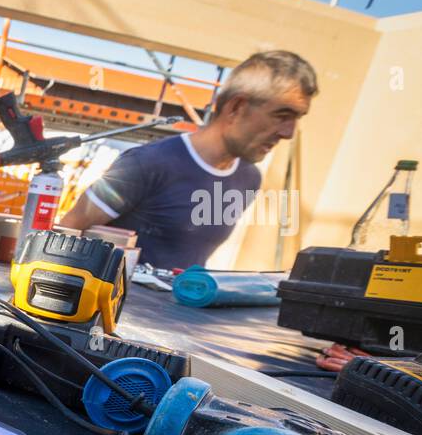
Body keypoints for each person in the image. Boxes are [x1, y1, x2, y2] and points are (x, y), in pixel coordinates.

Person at [59, 50, 317, 270]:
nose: (288, 133)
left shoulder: (248, 178)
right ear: (236, 107)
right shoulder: (148, 163)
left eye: (297, 119)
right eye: (282, 115)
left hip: (174, 322)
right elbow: (67, 231)